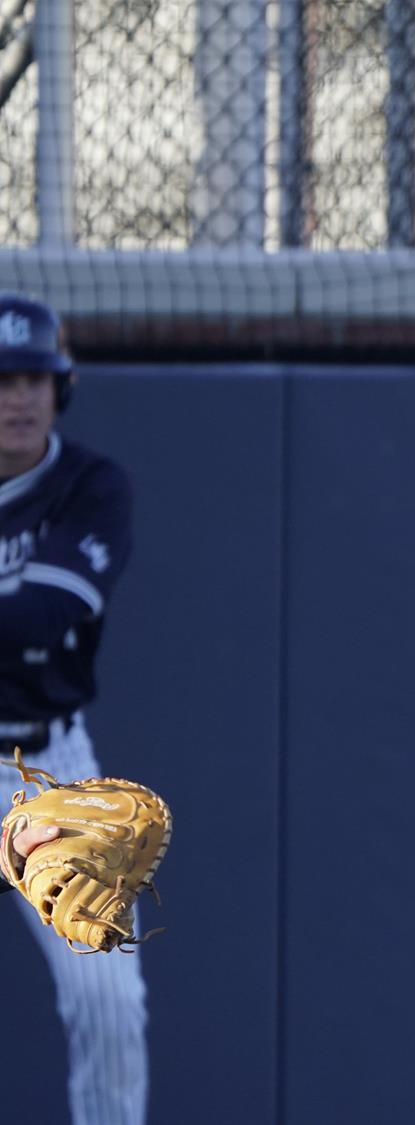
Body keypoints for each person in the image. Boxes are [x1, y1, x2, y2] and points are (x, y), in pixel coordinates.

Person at [0, 293, 148, 1124]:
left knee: (107, 1003)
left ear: (62, 388)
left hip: (44, 773)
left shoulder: (90, 485)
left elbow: (41, 617)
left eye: (34, 377)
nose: (18, 396)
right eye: (0, 379)